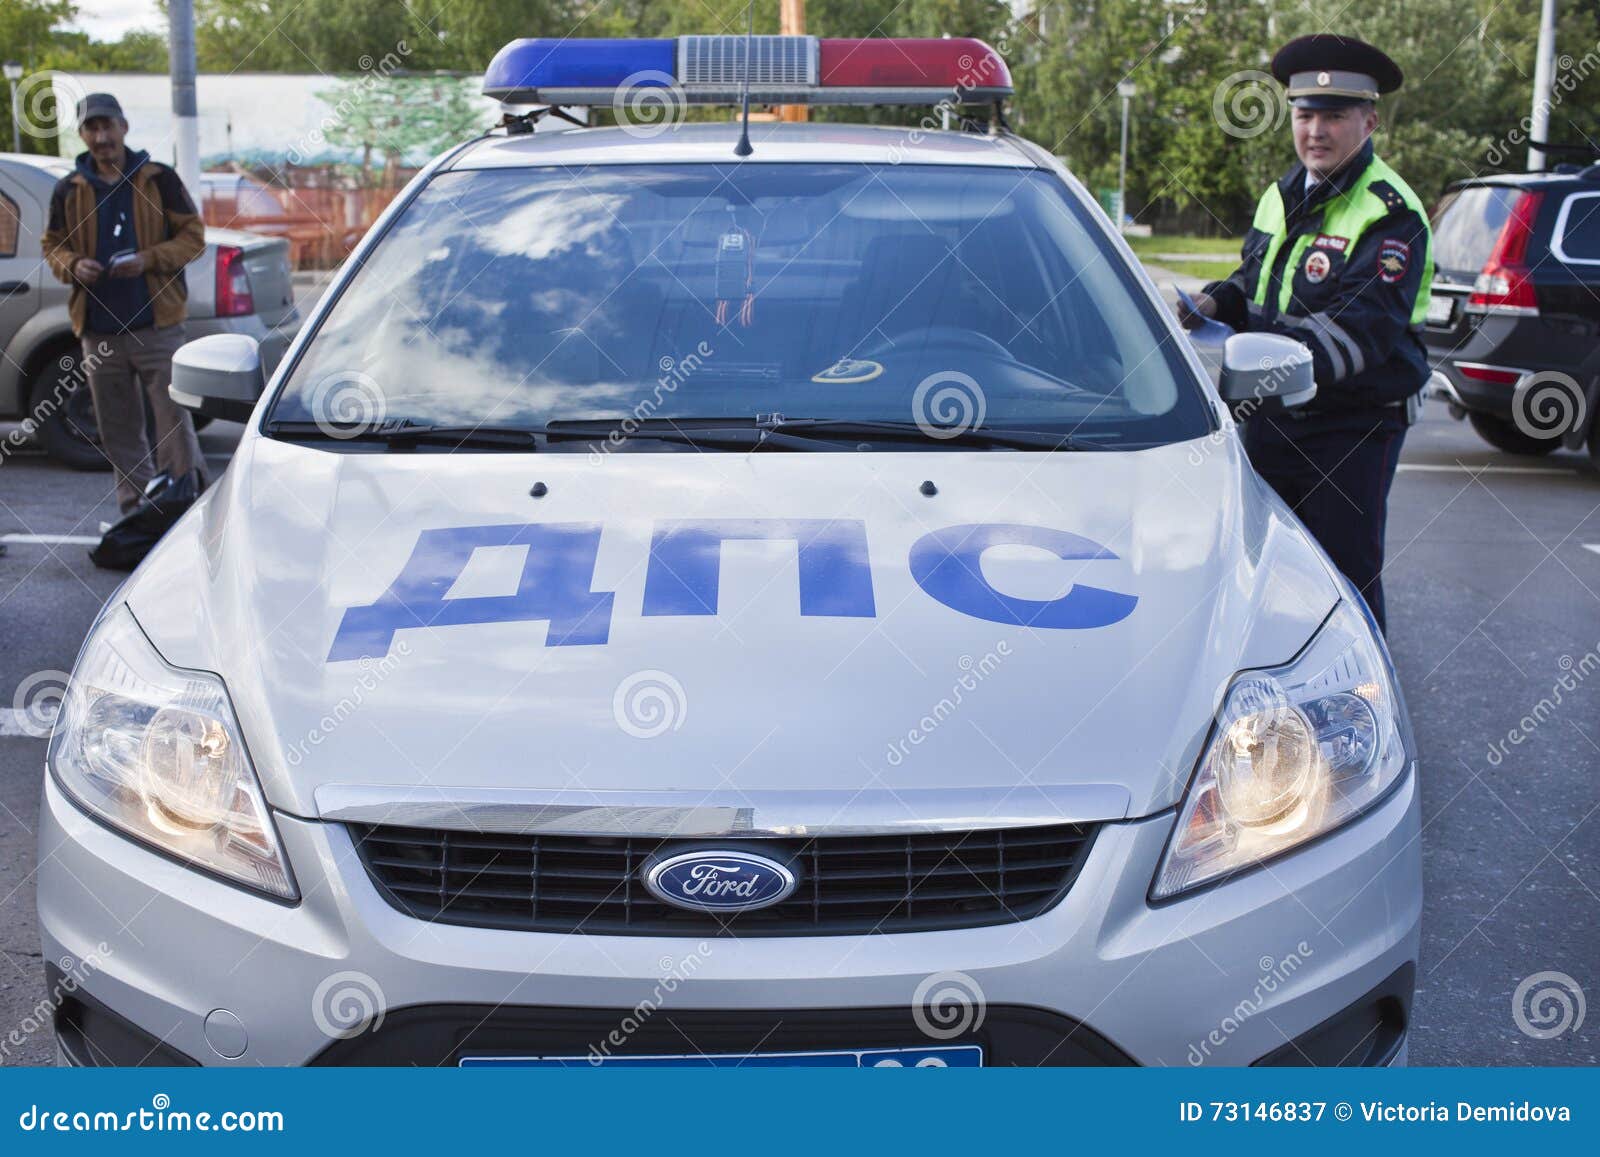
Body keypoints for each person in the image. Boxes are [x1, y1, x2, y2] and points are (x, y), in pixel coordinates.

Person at [1183, 34, 1433, 633]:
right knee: (1266, 569)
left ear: (1369, 122)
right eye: (1305, 114)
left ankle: (1363, 705)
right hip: (1272, 413)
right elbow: (1255, 284)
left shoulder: (1390, 213)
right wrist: (1204, 304)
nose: (1316, 130)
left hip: (1351, 426)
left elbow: (1359, 337)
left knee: (1342, 577)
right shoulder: (1283, 193)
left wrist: (1251, 373)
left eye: (1335, 116)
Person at [41, 93, 208, 516]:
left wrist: (147, 260)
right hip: (99, 332)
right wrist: (75, 265)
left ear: (124, 127)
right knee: (116, 429)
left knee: (174, 423)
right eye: (91, 129)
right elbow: (53, 246)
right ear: (82, 135)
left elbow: (193, 238)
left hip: (157, 326)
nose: (101, 137)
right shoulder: (69, 189)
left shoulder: (158, 178)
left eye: (107, 126)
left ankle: (183, 506)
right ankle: (136, 514)